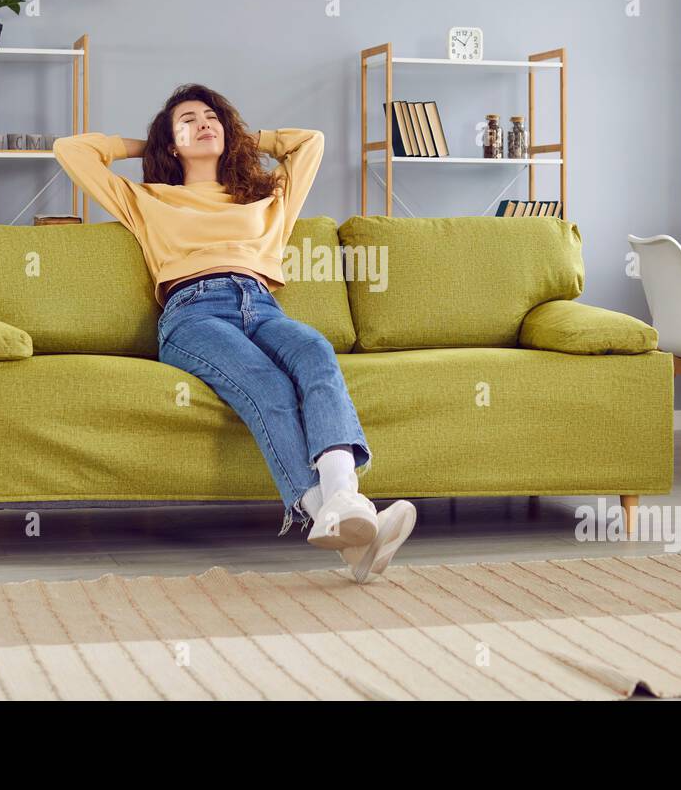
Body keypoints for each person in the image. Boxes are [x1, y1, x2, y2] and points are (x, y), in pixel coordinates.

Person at [54, 83, 416, 583]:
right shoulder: (147, 199)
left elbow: (309, 141)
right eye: (187, 121)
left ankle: (343, 505)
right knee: (267, 383)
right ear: (171, 144)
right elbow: (71, 150)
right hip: (193, 312)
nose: (203, 123)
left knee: (315, 350)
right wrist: (149, 143)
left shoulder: (268, 197)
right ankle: (341, 512)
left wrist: (244, 136)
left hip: (262, 307)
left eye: (212, 117)